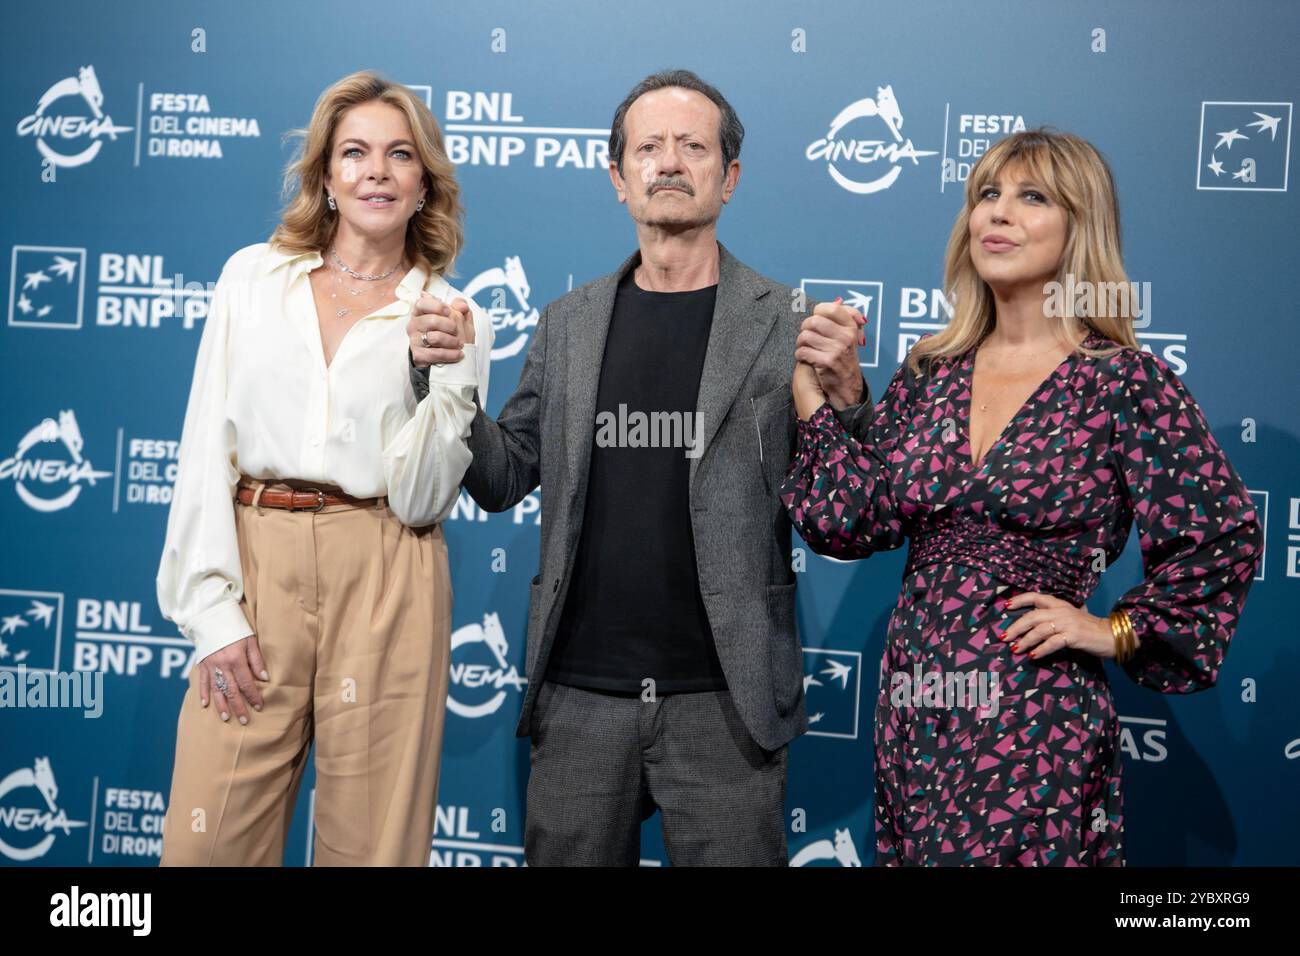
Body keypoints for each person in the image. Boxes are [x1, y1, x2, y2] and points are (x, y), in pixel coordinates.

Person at [408, 69, 871, 866]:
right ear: (617, 177)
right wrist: (442, 383)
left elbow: (853, 506)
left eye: (694, 147)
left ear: (728, 177)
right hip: (580, 695)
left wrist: (851, 395)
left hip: (727, 701)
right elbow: (502, 477)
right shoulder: (566, 325)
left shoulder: (789, 322)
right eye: (648, 147)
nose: (669, 162)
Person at [781, 128, 1263, 865]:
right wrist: (828, 403)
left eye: (1031, 197)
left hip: (1033, 710)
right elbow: (855, 523)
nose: (997, 214)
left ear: (1079, 227)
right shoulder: (930, 372)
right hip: (917, 705)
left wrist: (1117, 631)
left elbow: (1219, 533)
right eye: (986, 195)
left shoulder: (1124, 382)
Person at [156, 70, 491, 866]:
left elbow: (420, 498)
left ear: (424, 185)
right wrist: (212, 612)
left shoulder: (452, 315)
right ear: (327, 178)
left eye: (399, 155)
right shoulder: (253, 278)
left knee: (374, 850)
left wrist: (431, 378)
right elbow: (205, 447)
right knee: (207, 847)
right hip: (257, 560)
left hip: (388, 570)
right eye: (355, 153)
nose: (376, 170)